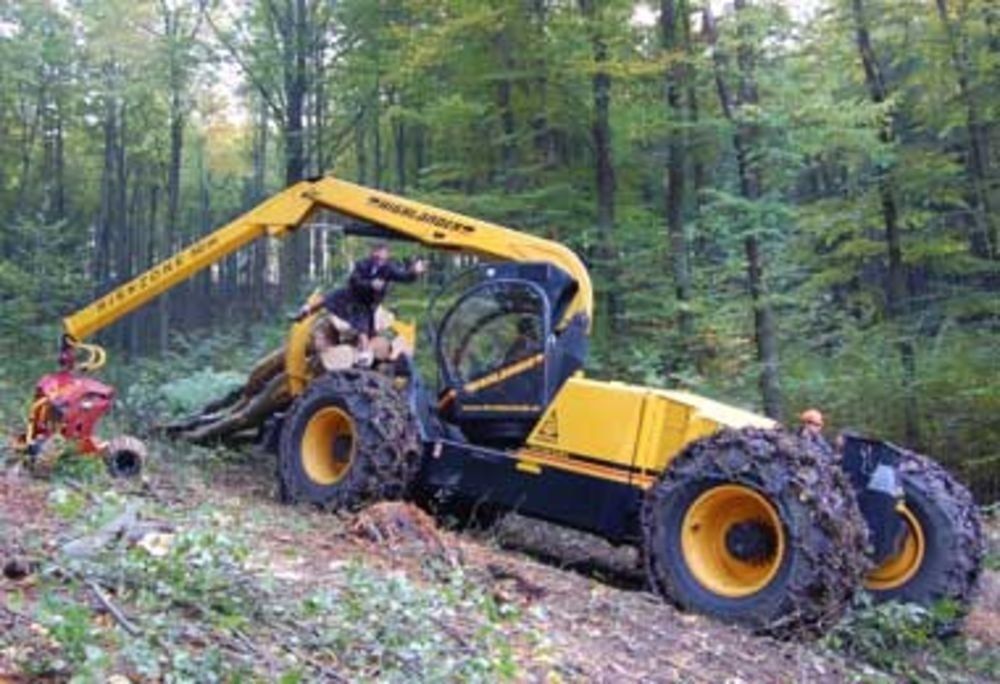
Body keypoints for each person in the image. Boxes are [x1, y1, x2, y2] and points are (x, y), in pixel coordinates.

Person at [298, 243, 426, 366]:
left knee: (362, 328)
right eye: (378, 253)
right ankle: (306, 310)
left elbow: (403, 276)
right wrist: (370, 284)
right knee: (328, 298)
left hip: (367, 303)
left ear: (387, 255)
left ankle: (364, 354)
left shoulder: (389, 268)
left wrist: (414, 272)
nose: (380, 258)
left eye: (384, 254)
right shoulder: (362, 264)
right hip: (352, 294)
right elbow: (354, 280)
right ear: (373, 253)